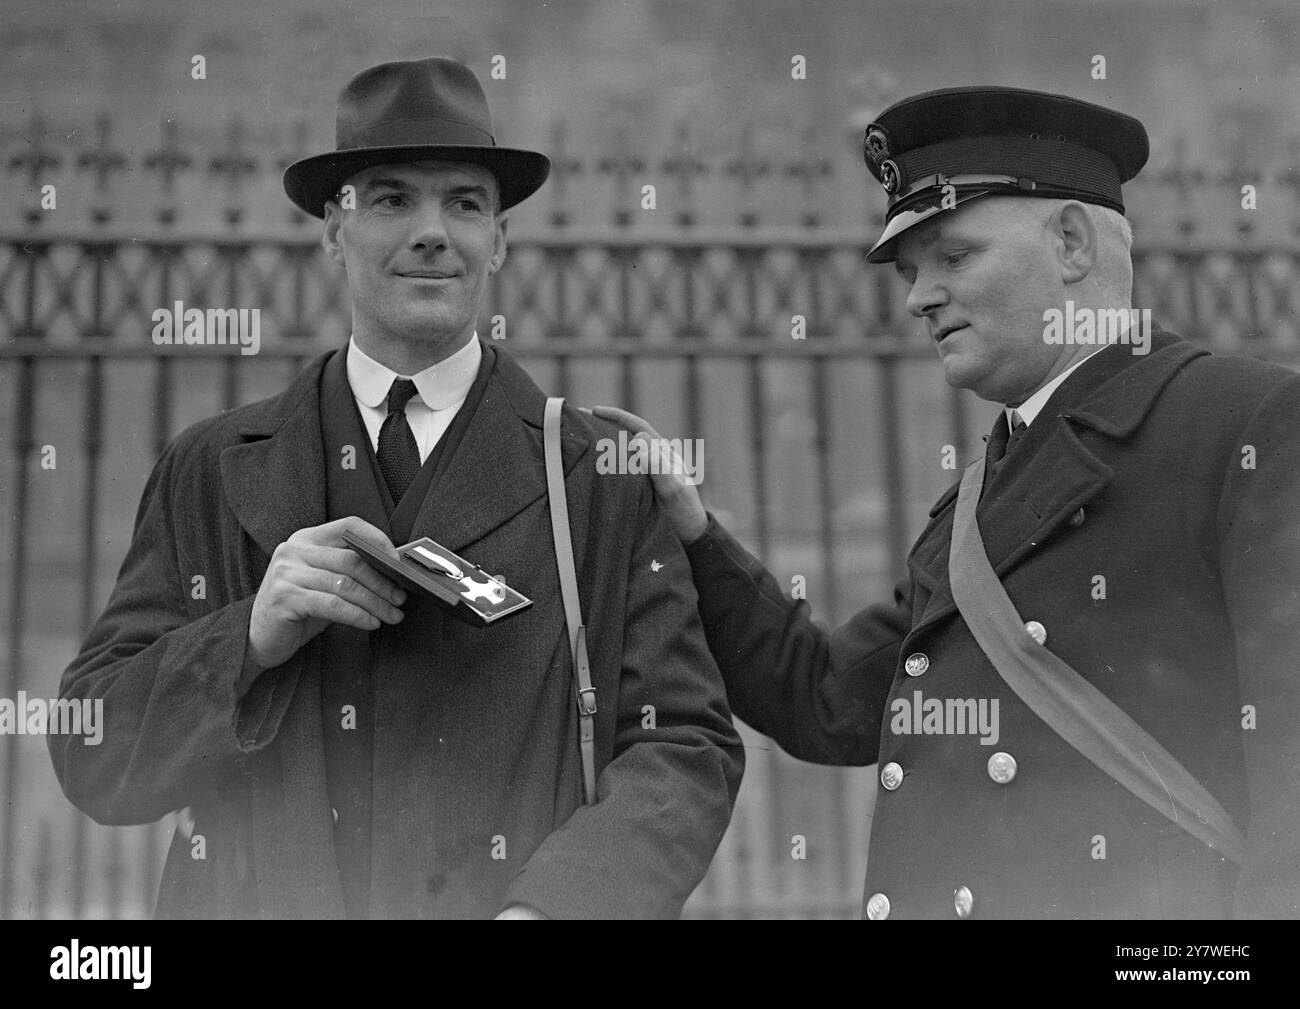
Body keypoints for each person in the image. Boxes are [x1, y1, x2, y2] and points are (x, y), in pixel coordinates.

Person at [49, 57, 742, 920]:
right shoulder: (214, 466)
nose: (432, 231)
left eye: (464, 202)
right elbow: (92, 752)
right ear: (333, 233)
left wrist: (556, 908)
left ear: (500, 239)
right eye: (389, 199)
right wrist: (248, 638)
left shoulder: (597, 475)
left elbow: (684, 745)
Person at [597, 86, 1300, 919]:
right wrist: (695, 534)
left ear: (1072, 244)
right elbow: (829, 702)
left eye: (954, 257)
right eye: (909, 271)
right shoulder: (979, 498)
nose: (917, 297)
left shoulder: (1248, 424)